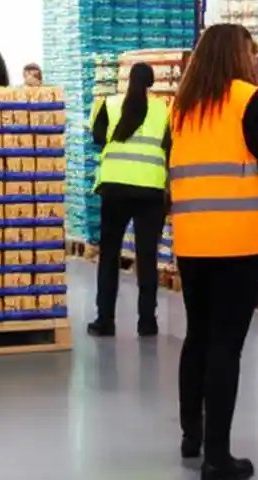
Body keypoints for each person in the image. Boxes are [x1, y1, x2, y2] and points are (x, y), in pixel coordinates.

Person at [168, 24, 258, 480]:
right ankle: (218, 456)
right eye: (252, 52)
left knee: (198, 337)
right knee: (226, 347)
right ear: (239, 55)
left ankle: (192, 434)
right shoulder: (247, 98)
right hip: (239, 239)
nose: (256, 59)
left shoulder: (182, 106)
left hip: (193, 240)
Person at [86, 62, 168, 338]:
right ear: (151, 82)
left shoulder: (109, 104)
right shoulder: (163, 109)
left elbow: (97, 138)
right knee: (147, 258)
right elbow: (171, 146)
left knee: (109, 255)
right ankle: (147, 322)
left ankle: (105, 320)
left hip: (115, 189)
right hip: (151, 190)